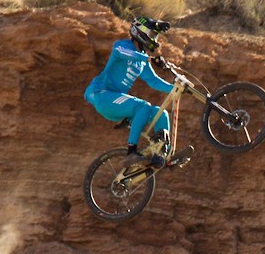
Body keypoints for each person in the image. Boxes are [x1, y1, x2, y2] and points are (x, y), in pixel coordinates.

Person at [83, 16, 193, 169]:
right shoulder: (123, 46)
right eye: (152, 34)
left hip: (116, 101)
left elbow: (153, 81)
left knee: (161, 114)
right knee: (142, 106)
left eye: (156, 36)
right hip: (103, 95)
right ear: (140, 32)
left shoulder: (142, 60)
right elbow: (123, 53)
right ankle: (131, 152)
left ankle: (164, 155)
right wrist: (147, 58)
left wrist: (176, 89)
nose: (154, 39)